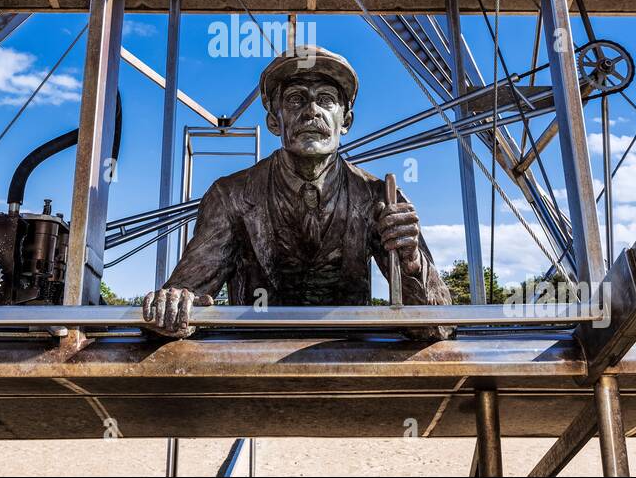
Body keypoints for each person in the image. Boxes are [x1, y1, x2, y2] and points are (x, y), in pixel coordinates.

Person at [142, 45, 451, 338]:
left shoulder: (379, 197)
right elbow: (182, 302)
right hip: (252, 367)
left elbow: (437, 327)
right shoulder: (231, 196)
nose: (312, 111)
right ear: (275, 121)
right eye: (295, 100)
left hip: (349, 366)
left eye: (327, 99)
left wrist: (412, 263)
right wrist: (173, 307)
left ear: (346, 121)